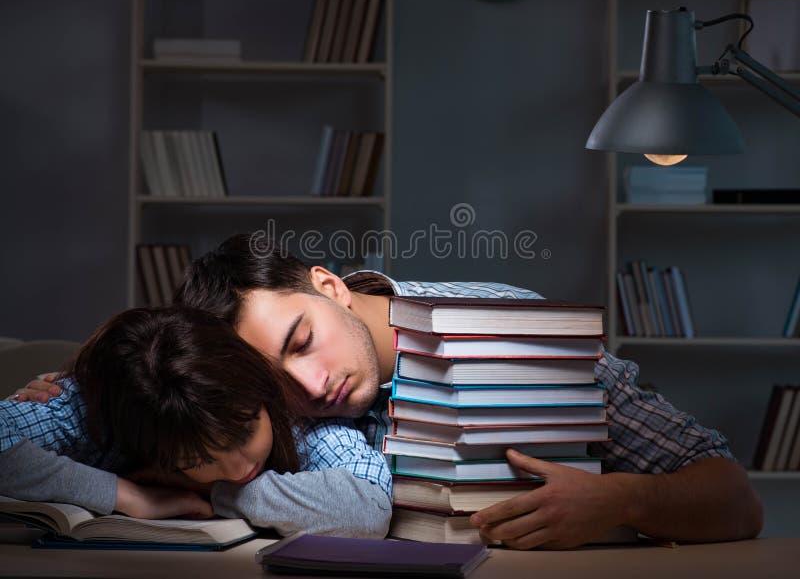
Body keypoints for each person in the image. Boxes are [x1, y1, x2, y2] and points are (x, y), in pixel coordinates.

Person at [20, 233, 763, 549]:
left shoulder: (504, 334)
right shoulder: (283, 415)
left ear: (329, 286)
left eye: (302, 341)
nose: (312, 385)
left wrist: (624, 500)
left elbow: (734, 496)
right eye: (274, 384)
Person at [1, 305, 392, 538]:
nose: (238, 468)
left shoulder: (295, 411)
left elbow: (367, 508)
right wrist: (129, 496)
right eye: (198, 460)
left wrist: (212, 490)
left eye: (244, 431)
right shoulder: (96, 409)